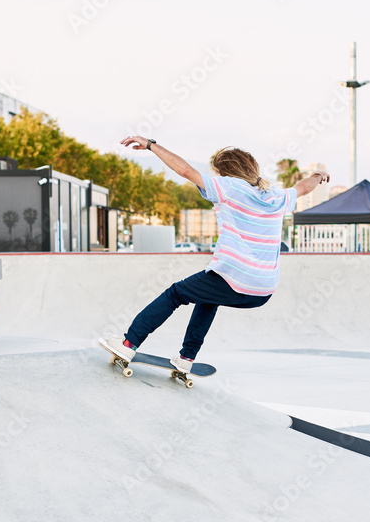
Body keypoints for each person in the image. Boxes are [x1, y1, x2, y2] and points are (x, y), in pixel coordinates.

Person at [98, 136, 330, 372]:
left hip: (236, 279)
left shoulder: (228, 187)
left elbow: (186, 170)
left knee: (175, 294)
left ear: (225, 172)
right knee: (208, 297)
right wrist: (318, 176)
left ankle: (129, 343)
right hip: (263, 290)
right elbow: (303, 187)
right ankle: (186, 358)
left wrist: (150, 145)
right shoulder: (277, 196)